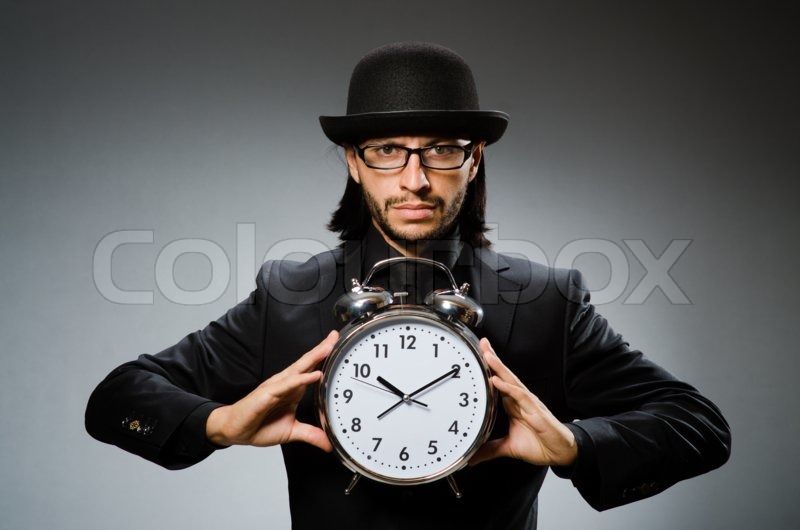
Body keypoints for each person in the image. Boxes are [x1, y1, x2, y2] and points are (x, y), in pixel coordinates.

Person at [85, 41, 731, 529]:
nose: (415, 179)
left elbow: (701, 426)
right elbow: (117, 398)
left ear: (474, 158)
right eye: (388, 150)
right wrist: (220, 424)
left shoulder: (544, 306)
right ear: (354, 161)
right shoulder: (290, 300)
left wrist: (573, 447)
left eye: (442, 149)